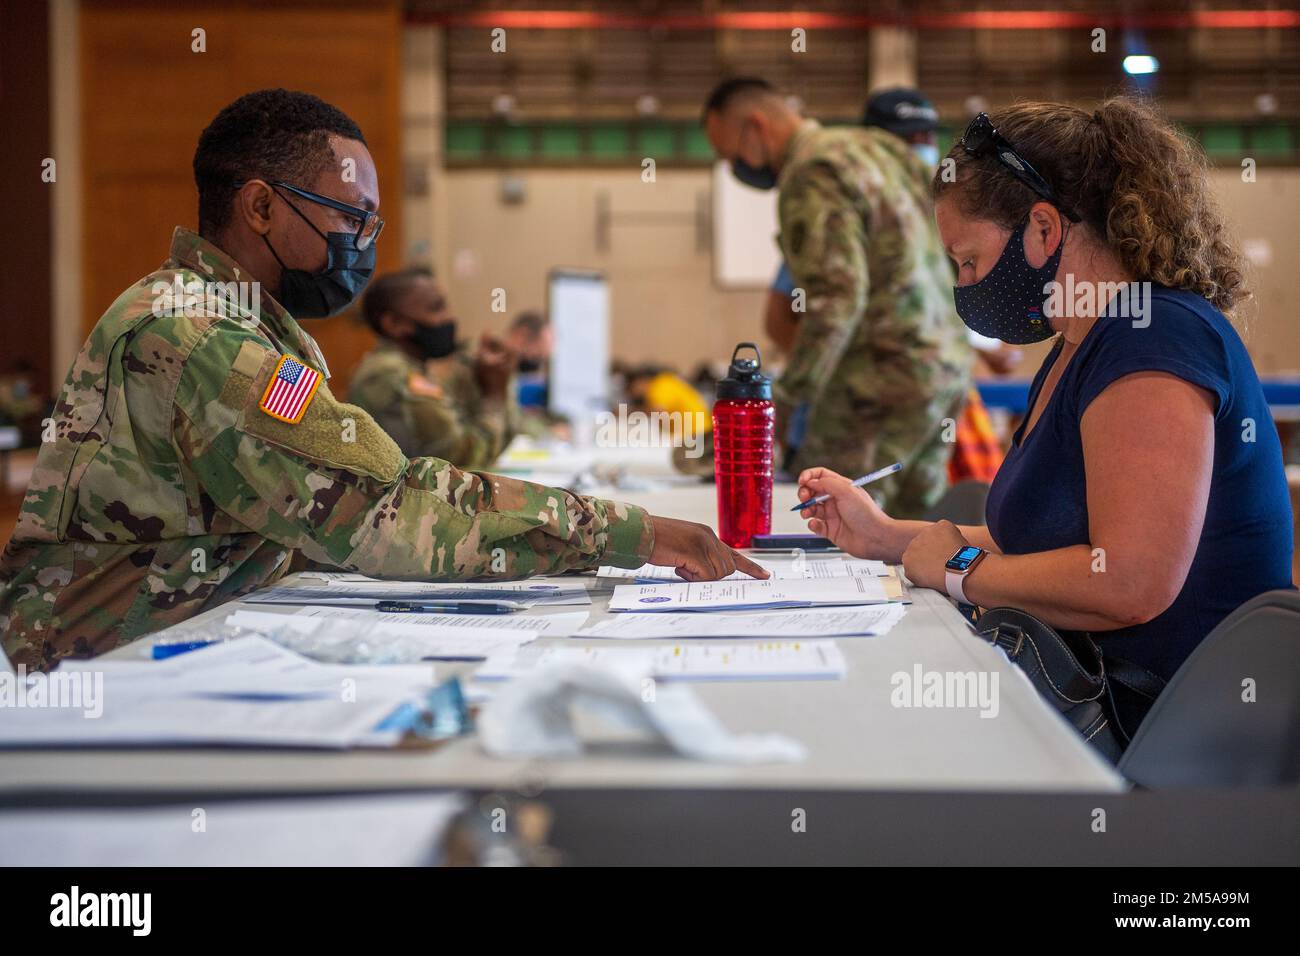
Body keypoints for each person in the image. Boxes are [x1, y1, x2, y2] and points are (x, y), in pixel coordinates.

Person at [0, 89, 764, 671]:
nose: (363, 245)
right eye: (349, 216)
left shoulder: (224, 318)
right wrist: (632, 533)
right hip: (96, 669)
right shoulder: (202, 338)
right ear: (260, 206)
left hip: (167, 640)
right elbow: (386, 510)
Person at [797, 95, 1293, 732]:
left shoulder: (1153, 338)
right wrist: (886, 536)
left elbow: (1127, 583)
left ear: (1043, 229)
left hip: (1163, 723)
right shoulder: (1081, 344)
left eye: (969, 260)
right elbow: (1046, 549)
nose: (966, 284)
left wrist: (959, 570)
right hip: (1100, 690)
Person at [703, 78, 971, 517]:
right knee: (917, 537)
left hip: (875, 386)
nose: (736, 167)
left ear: (755, 126)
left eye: (732, 154)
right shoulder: (880, 150)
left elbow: (836, 298)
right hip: (943, 371)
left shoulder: (812, 171)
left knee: (836, 523)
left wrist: (787, 401)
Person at [349, 267, 515, 469]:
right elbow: (462, 461)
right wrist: (495, 396)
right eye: (436, 308)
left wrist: (484, 378)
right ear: (394, 323)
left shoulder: (411, 369)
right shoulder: (391, 375)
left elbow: (492, 436)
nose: (449, 318)